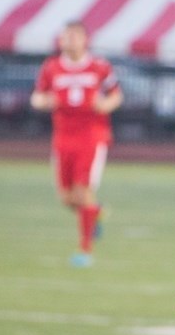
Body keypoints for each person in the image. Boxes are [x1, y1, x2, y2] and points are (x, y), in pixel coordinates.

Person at [30, 20, 122, 268]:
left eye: (74, 36)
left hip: (91, 137)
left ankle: (85, 250)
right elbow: (37, 97)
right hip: (63, 138)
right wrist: (44, 102)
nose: (69, 41)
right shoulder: (51, 68)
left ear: (85, 39)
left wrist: (105, 105)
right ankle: (96, 213)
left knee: (83, 191)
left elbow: (116, 94)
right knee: (67, 198)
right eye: (65, 37)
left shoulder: (99, 67)